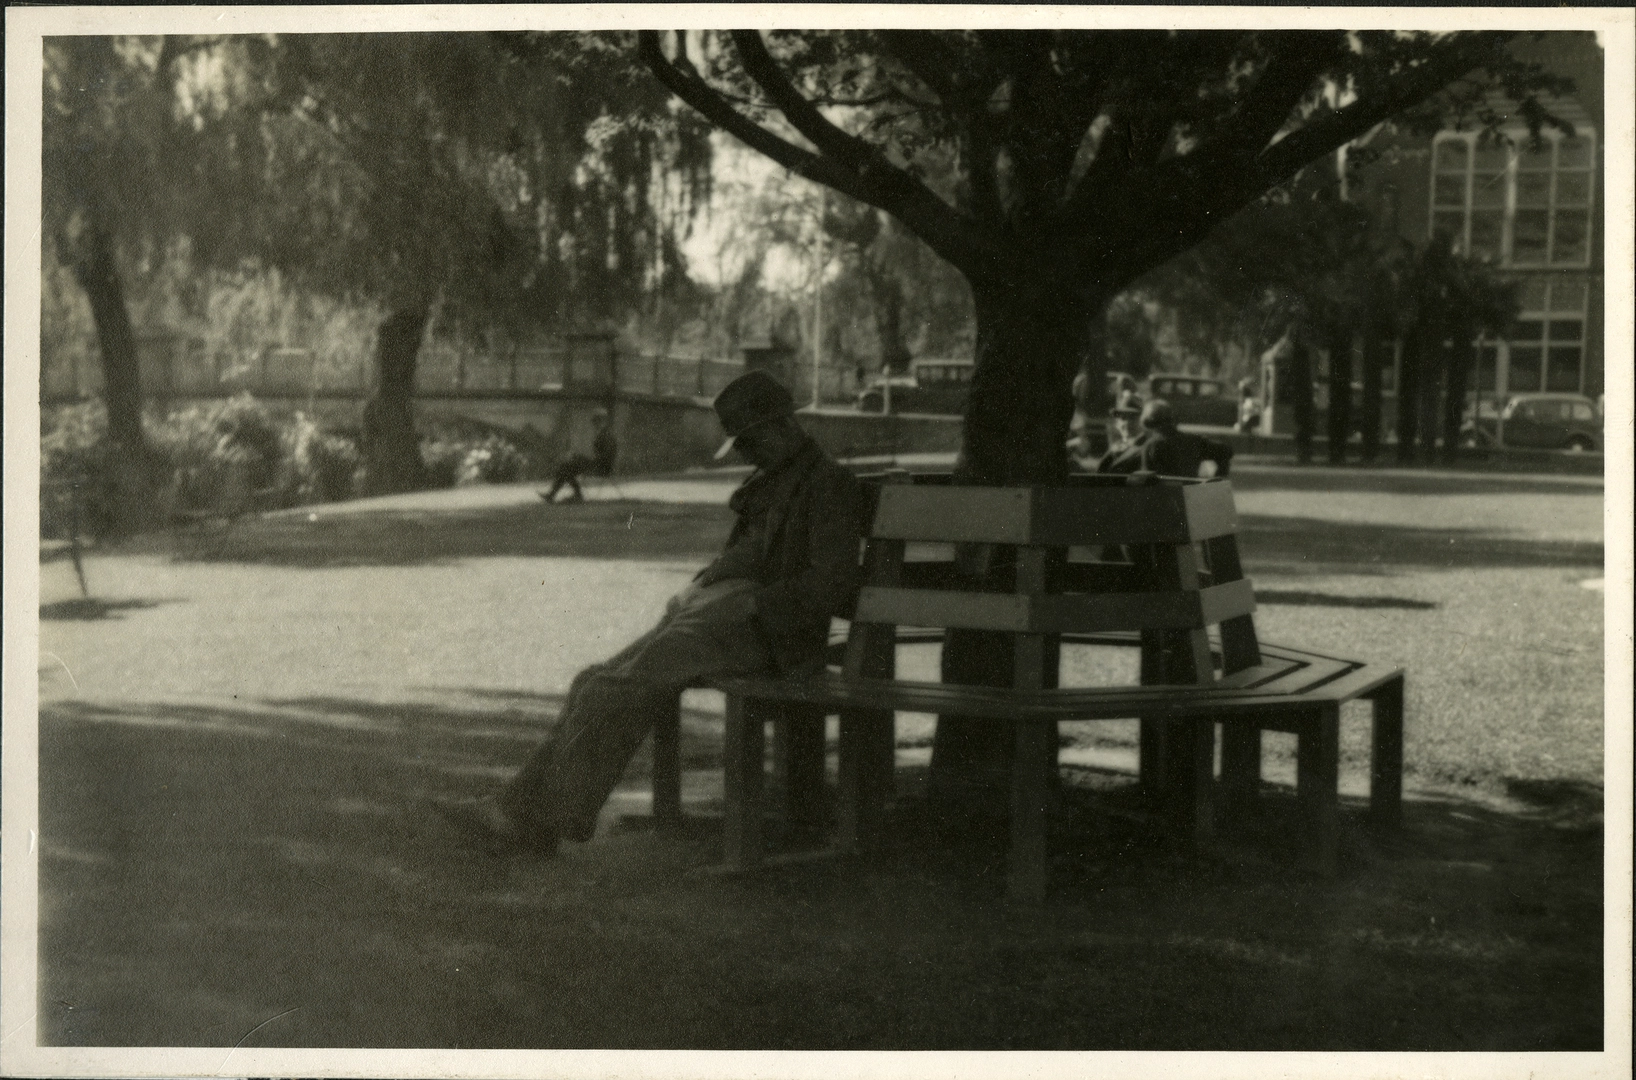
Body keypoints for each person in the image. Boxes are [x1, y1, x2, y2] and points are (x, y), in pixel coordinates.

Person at [435, 370, 868, 854]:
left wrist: (750, 601)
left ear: (783, 427)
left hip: (766, 635)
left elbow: (833, 583)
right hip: (718, 622)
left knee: (611, 689)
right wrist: (704, 584)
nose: (745, 454)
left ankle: (525, 818)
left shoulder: (828, 484)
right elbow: (746, 554)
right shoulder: (774, 480)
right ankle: (532, 820)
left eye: (749, 443)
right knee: (592, 680)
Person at [1095, 399, 1234, 478]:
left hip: (1159, 509)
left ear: (1146, 422)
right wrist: (1217, 480)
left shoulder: (1151, 445)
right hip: (1190, 502)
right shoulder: (1195, 441)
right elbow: (1226, 451)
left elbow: (1145, 480)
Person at [542, 408, 618, 503]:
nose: (595, 424)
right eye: (595, 421)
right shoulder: (603, 433)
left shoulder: (607, 435)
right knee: (566, 467)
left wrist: (588, 459)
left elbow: (606, 456)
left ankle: (572, 494)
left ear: (603, 421)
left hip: (602, 467)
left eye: (597, 421)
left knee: (566, 468)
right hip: (596, 464)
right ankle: (555, 494)